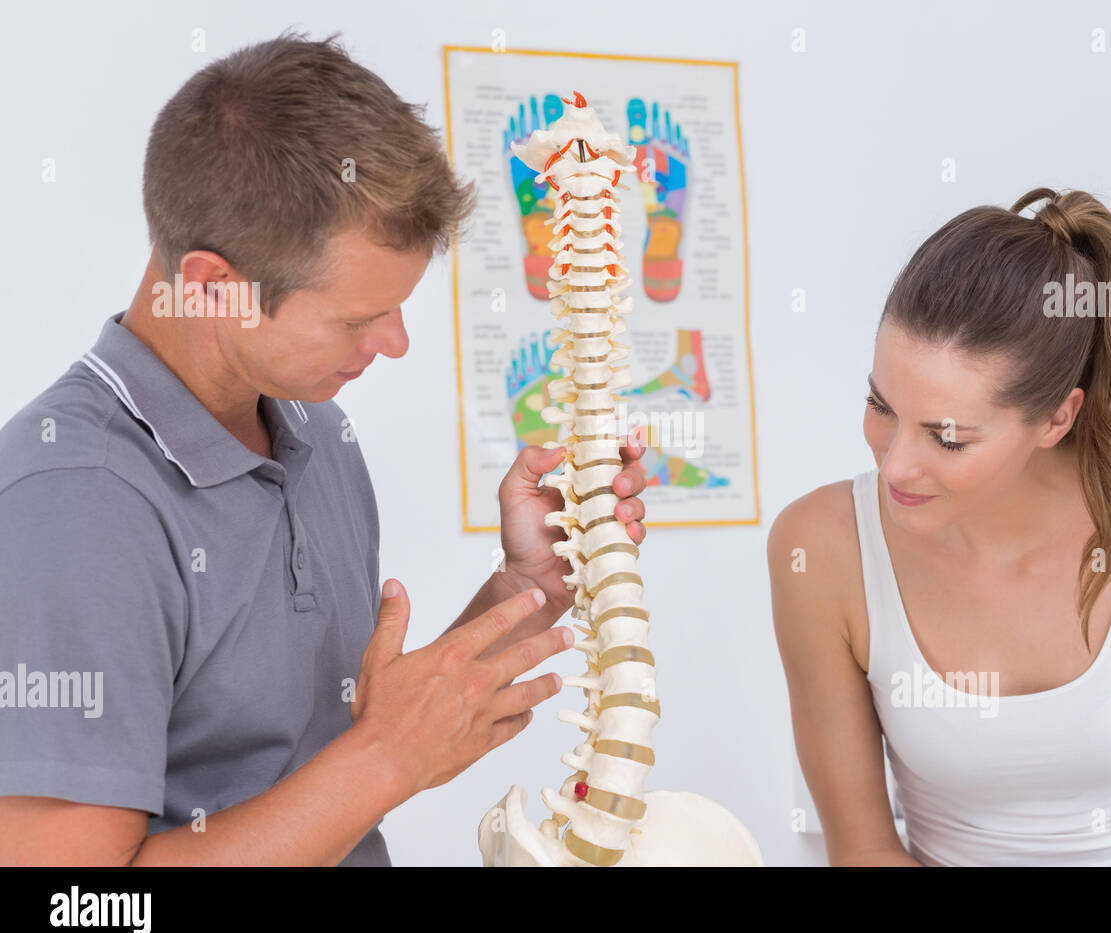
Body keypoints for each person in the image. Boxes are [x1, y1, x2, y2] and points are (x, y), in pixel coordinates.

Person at [0, 31, 648, 865]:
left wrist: (525, 587)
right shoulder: (72, 501)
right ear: (208, 287)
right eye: (357, 318)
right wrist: (387, 759)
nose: (397, 342)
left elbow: (317, 760)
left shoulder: (316, 430)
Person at [767, 186, 1111, 866]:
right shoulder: (819, 549)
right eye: (881, 405)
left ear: (1056, 418)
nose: (895, 464)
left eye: (948, 438)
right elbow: (864, 849)